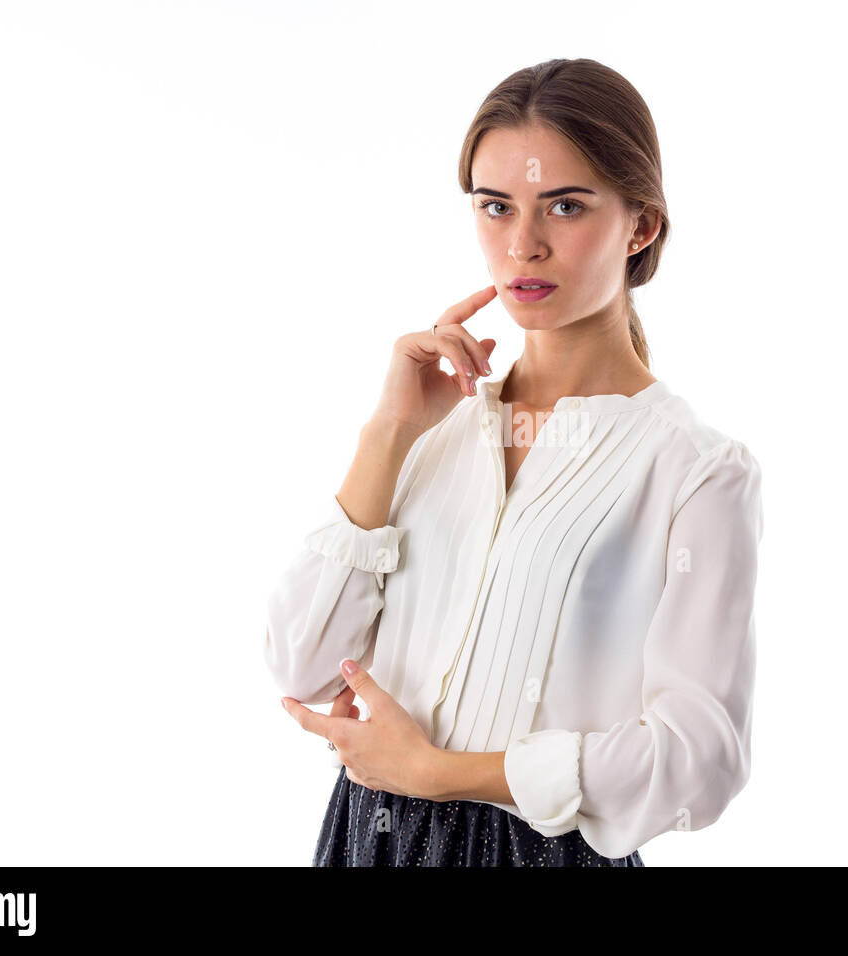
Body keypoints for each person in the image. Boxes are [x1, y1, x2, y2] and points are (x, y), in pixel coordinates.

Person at [263, 57, 763, 866]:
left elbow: (701, 760)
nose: (522, 245)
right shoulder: (430, 425)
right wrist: (387, 433)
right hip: (368, 839)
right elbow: (301, 665)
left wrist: (440, 773)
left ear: (641, 226)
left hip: (544, 852)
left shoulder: (696, 470)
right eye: (496, 207)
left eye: (565, 206)